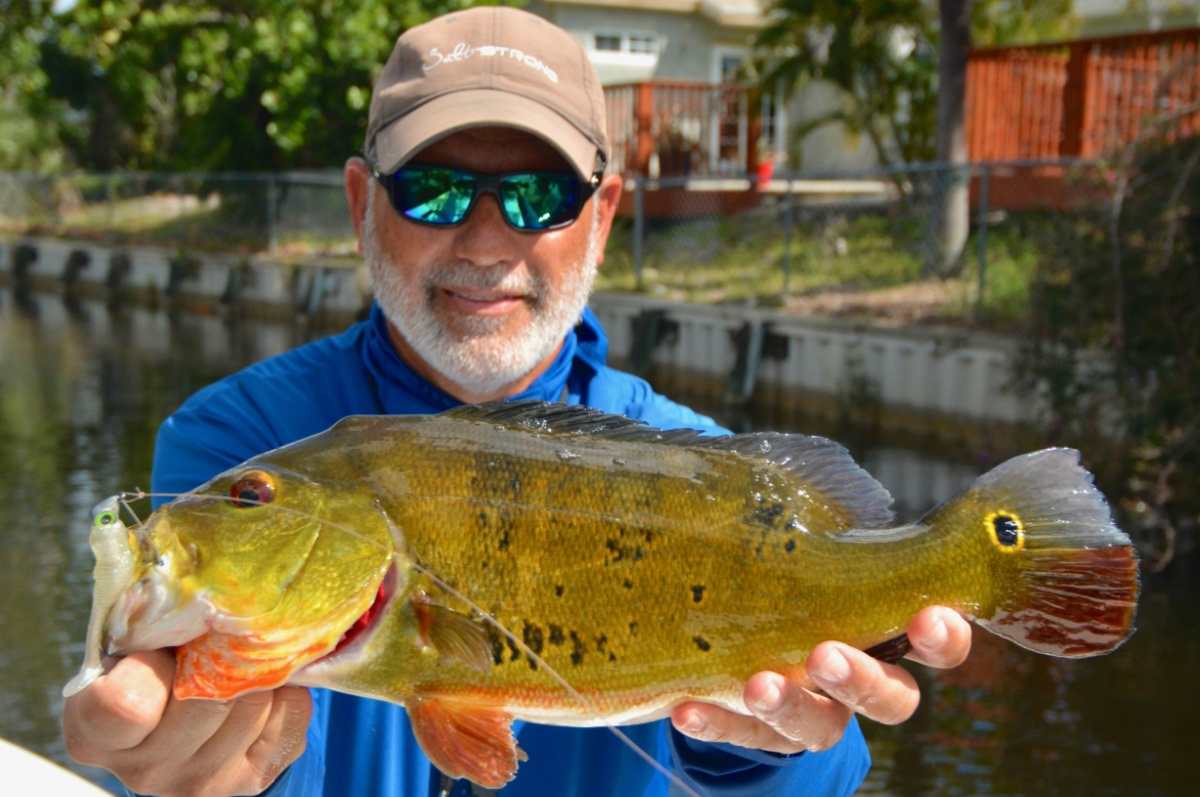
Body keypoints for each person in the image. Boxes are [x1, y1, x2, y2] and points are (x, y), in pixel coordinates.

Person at [62, 7, 972, 796]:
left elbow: (824, 776)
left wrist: (767, 751)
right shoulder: (243, 439)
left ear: (605, 217)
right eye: (434, 189)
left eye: (540, 197)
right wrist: (210, 773)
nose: (488, 238)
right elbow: (241, 742)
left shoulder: (700, 462)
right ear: (359, 204)